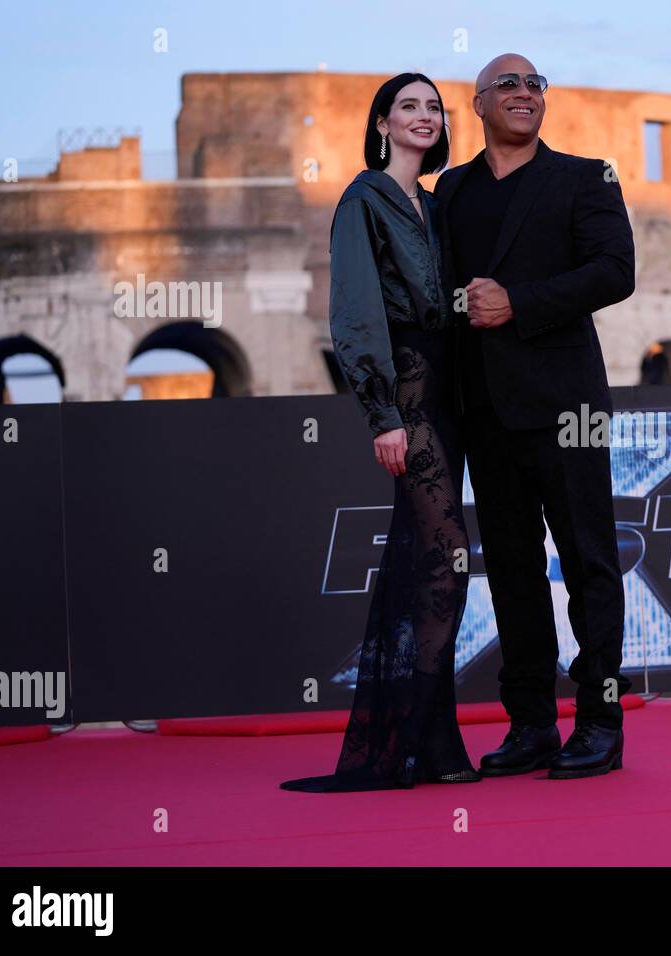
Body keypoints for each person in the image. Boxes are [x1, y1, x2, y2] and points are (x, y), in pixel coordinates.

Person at [433, 53, 636, 779]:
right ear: (479, 104)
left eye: (535, 84)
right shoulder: (451, 190)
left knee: (588, 563)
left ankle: (601, 724)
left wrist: (518, 303)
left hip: (566, 406)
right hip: (483, 411)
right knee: (513, 572)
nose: (525, 93)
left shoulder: (587, 177)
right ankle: (531, 725)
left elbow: (615, 271)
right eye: (509, 84)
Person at [281, 73, 478, 792]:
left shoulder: (438, 203)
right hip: (410, 396)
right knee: (448, 556)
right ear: (382, 124)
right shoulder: (363, 199)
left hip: (454, 396)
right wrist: (383, 415)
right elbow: (356, 312)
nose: (425, 117)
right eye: (409, 107)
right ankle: (409, 742)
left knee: (428, 563)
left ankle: (435, 742)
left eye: (434, 108)